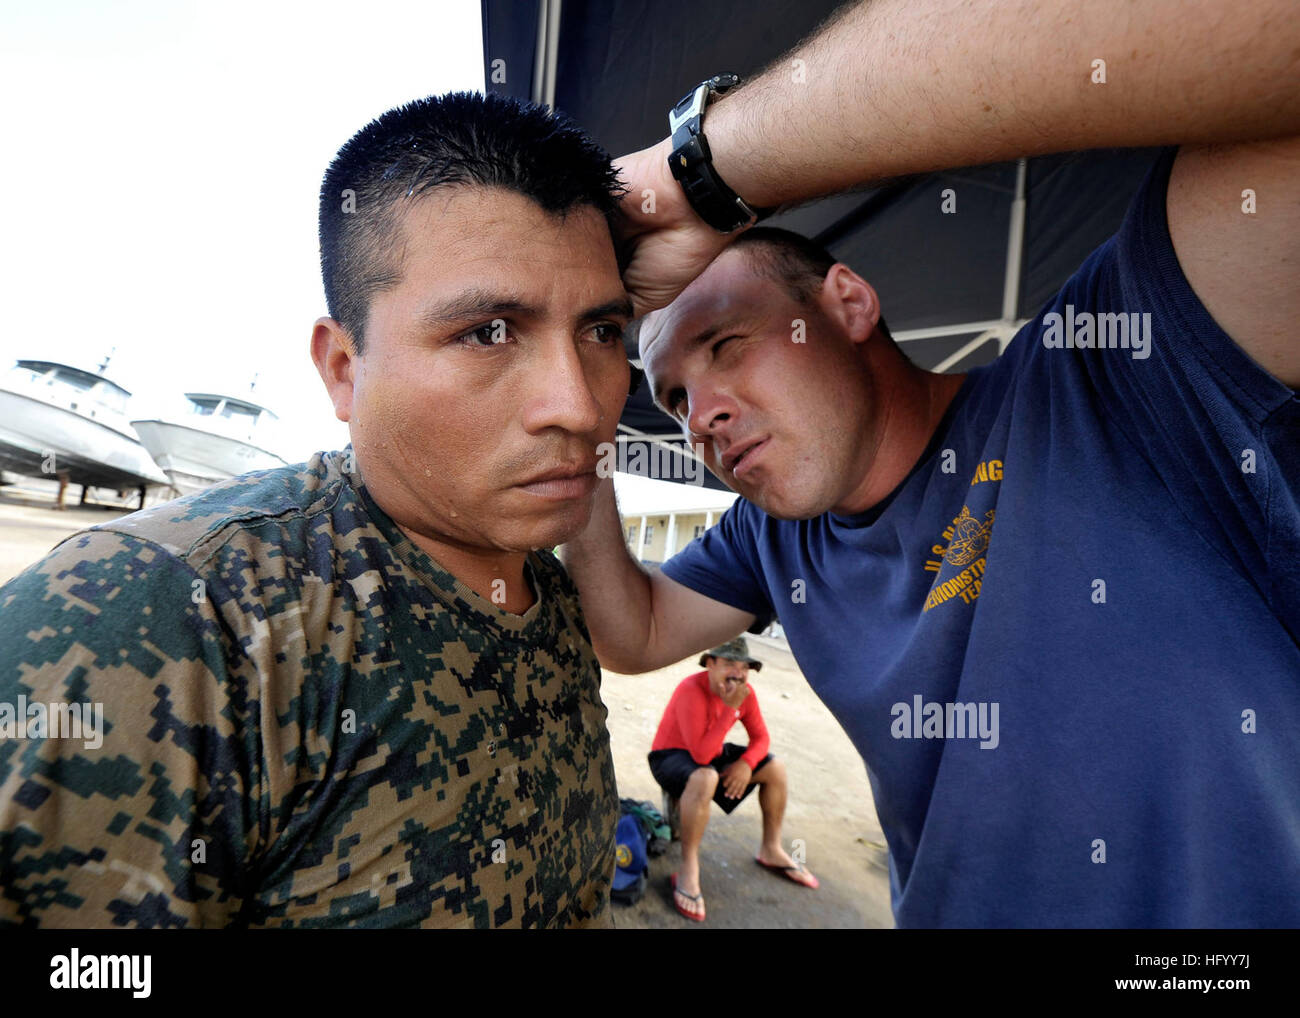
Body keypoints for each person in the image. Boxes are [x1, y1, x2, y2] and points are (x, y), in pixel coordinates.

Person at [563, 0, 1300, 927]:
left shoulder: (1110, 377)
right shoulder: (774, 538)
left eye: (729, 342)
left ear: (848, 302)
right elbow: (630, 635)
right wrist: (585, 429)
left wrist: (700, 176)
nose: (697, 415)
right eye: (670, 399)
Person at [0, 92, 636, 928]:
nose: (581, 407)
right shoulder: (153, 621)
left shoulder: (545, 591)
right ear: (342, 367)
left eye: (602, 333)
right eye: (489, 331)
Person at [648, 637, 816, 921]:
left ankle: (771, 848)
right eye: (728, 664)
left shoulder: (745, 693)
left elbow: (761, 738)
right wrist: (730, 709)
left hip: (709, 753)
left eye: (744, 667)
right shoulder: (691, 689)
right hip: (670, 756)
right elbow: (700, 755)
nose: (738, 673)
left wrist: (747, 764)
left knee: (775, 768)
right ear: (710, 663)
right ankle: (688, 867)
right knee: (705, 776)